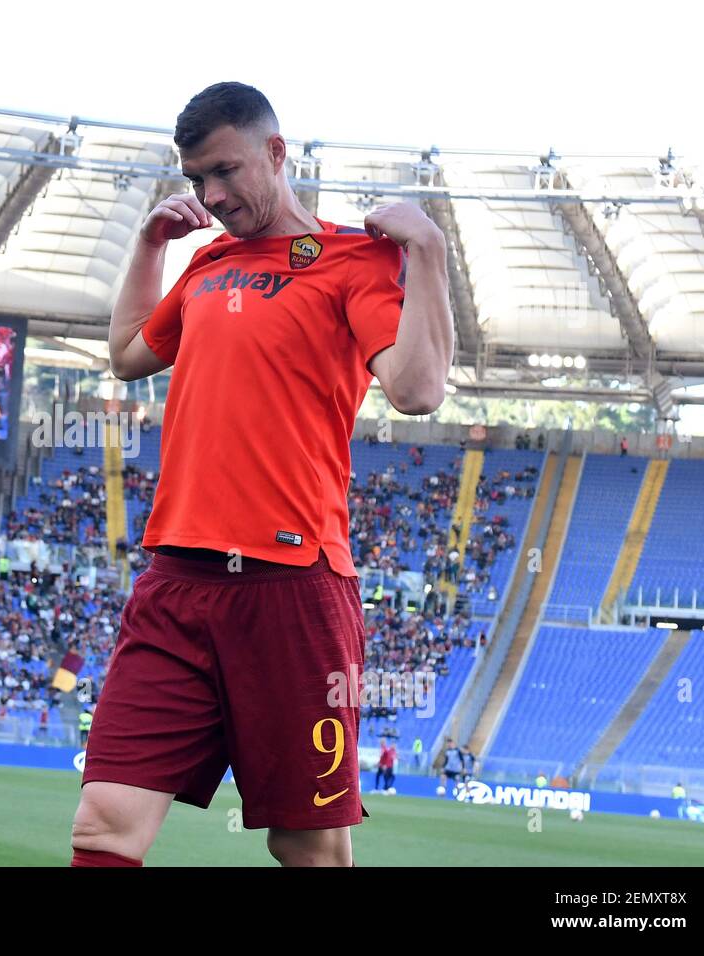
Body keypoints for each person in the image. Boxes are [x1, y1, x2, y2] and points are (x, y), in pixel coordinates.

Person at [72, 82, 451, 869]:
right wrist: (148, 247)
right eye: (196, 180)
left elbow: (417, 390)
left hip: (293, 588)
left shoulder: (355, 259)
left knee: (307, 846)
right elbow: (129, 353)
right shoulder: (209, 262)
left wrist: (430, 255)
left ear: (276, 154)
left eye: (225, 171)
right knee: (104, 822)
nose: (211, 196)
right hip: (174, 582)